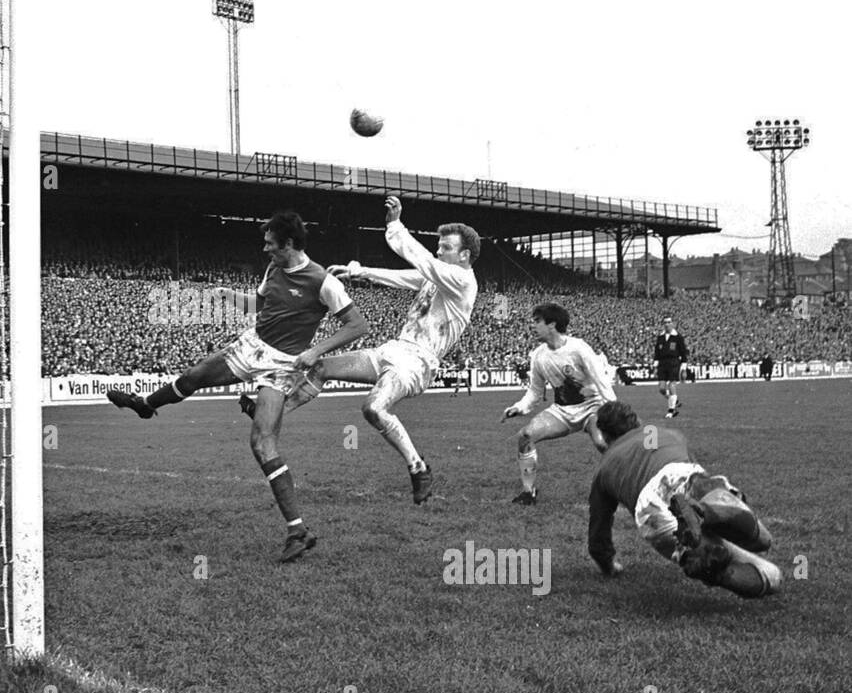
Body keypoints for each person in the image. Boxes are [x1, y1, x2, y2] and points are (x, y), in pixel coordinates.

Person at [106, 211, 369, 562]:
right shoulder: (273, 270)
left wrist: (315, 351)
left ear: (289, 244)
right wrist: (231, 297)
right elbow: (262, 306)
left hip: (282, 366)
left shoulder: (323, 281)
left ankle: (298, 531)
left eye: (270, 243)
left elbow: (357, 326)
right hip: (251, 346)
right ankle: (146, 406)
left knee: (262, 443)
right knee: (192, 377)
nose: (265, 249)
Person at [272, 197, 479, 505]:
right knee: (322, 368)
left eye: (445, 247)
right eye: (439, 245)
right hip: (394, 350)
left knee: (373, 409)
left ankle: (418, 468)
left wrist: (395, 226)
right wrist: (358, 272)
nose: (438, 250)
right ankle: (274, 415)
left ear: (464, 255)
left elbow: (421, 260)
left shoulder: (462, 280)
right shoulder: (438, 277)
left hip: (417, 363)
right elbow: (400, 277)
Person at [586, 401, 781, 598]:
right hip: (684, 477)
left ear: (605, 436)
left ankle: (713, 567)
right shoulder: (665, 434)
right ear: (636, 421)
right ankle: (706, 512)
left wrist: (608, 564)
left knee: (772, 578)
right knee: (764, 541)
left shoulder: (604, 469)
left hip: (649, 508)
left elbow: (598, 530)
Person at [502, 303, 616, 505]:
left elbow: (601, 381)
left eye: (537, 321)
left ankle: (625, 484)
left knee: (601, 443)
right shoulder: (538, 355)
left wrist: (613, 410)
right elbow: (535, 391)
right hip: (563, 411)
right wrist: (519, 407)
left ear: (552, 324)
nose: (532, 325)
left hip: (592, 406)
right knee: (525, 436)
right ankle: (528, 493)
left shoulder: (578, 348)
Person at [654, 316, 689, 417]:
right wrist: (655, 366)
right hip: (662, 363)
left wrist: (683, 369)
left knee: (672, 385)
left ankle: (671, 410)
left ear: (672, 323)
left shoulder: (678, 337)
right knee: (661, 388)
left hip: (674, 363)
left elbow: (683, 353)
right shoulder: (660, 337)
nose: (667, 324)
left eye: (669, 322)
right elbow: (657, 353)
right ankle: (675, 401)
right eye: (665, 322)